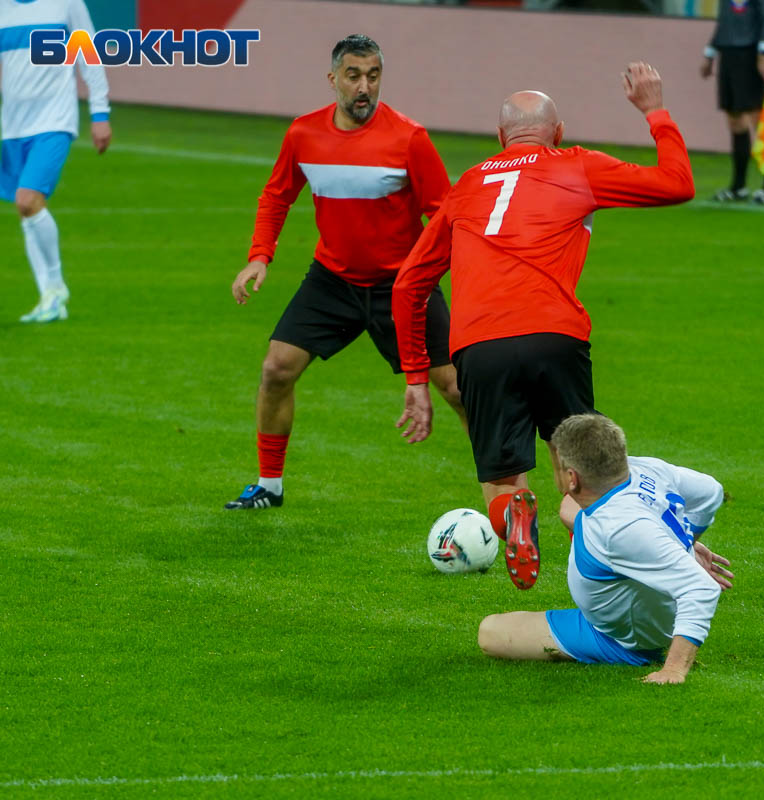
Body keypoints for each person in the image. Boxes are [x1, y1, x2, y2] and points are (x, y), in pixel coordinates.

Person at [392, 63, 694, 589]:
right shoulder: (576, 164)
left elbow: (407, 287)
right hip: (556, 336)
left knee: (502, 477)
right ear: (558, 133)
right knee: (585, 468)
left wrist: (417, 378)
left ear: (498, 136)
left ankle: (514, 514)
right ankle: (602, 569)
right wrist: (655, 112)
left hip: (480, 345)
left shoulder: (466, 187)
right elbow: (678, 183)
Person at [226, 34, 465, 510]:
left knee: (458, 387)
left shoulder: (409, 138)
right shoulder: (303, 134)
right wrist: (259, 255)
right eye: (354, 76)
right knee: (276, 369)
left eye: (373, 76)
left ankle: (505, 486)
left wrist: (431, 276)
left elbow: (445, 214)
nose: (364, 87)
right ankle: (269, 488)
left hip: (401, 284)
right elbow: (277, 196)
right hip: (332, 280)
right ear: (333, 78)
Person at [477, 414, 733, 684]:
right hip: (631, 545)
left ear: (572, 478)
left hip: (625, 637)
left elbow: (701, 588)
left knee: (490, 632)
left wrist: (674, 670)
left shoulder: (617, 530)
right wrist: (685, 541)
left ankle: (628, 651)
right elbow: (711, 492)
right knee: (569, 509)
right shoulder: (644, 468)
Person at [2, 0, 112, 323]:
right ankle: (49, 298)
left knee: (28, 199)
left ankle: (57, 285)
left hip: (54, 120)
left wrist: (99, 113)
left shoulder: (65, 4)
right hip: (13, 126)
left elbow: (90, 56)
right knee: (26, 211)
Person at [700, 0, 764, 205]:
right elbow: (724, 21)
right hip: (728, 53)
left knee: (758, 119)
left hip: (751, 53)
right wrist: (710, 53)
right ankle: (738, 187)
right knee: (735, 119)